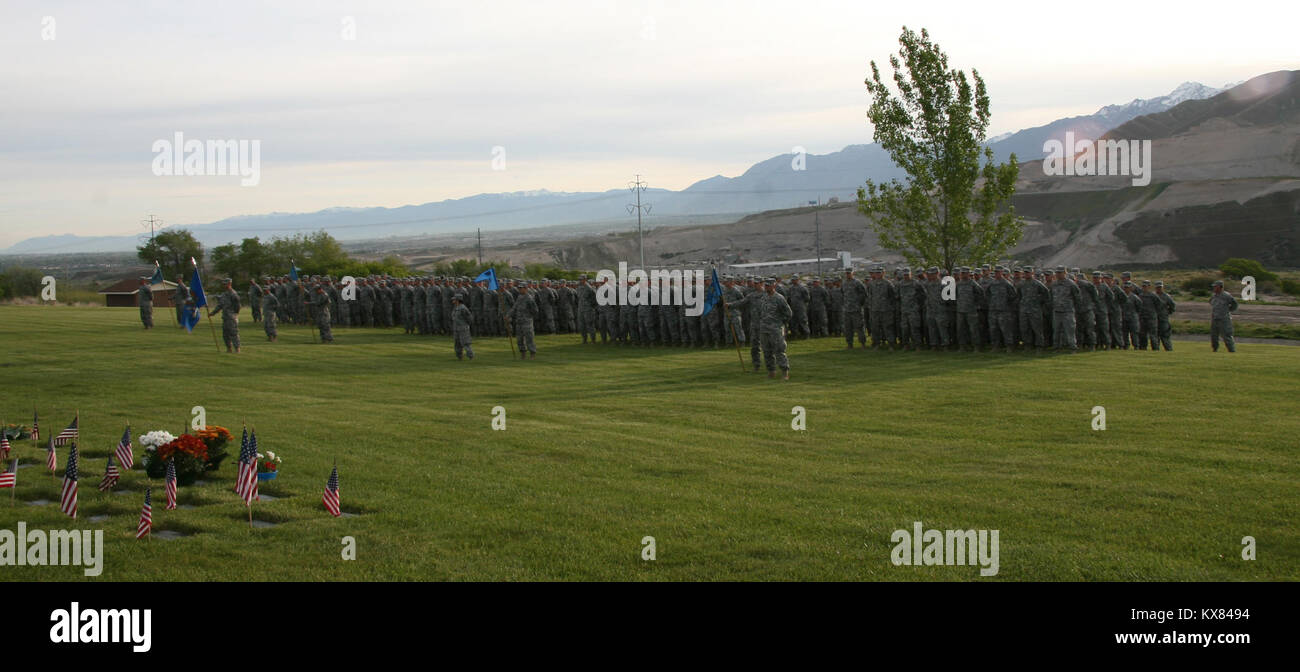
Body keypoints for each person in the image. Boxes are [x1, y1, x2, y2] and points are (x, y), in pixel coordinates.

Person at [729, 277, 792, 379]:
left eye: (768, 285)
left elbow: (788, 313)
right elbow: (758, 311)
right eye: (766, 285)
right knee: (767, 351)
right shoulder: (763, 298)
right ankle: (771, 371)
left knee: (779, 350)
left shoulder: (779, 298)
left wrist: (780, 323)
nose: (767, 287)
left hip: (775, 329)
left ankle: (785, 372)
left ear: (774, 285)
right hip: (764, 328)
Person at [208, 278, 242, 353]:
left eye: (225, 284)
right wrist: (212, 313)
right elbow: (220, 305)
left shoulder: (233, 294)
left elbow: (238, 306)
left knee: (234, 333)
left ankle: (237, 348)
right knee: (225, 335)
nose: (224, 285)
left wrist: (234, 314)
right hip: (225, 317)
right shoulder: (224, 294)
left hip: (232, 317)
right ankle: (229, 348)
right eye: (223, 284)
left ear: (230, 284)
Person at [1208, 280, 1239, 352]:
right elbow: (1211, 302)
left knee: (1227, 335)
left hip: (1224, 319)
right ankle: (1215, 349)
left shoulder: (1226, 295)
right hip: (1215, 318)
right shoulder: (1214, 296)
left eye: (1215, 287)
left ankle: (1231, 350)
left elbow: (1234, 304)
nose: (1214, 288)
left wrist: (1228, 310)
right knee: (1214, 336)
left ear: (1220, 287)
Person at [511, 284, 538, 359]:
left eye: (521, 288)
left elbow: (535, 310)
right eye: (519, 288)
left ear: (526, 289)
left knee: (529, 338)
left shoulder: (529, 298)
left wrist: (528, 316)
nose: (519, 290)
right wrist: (508, 315)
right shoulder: (519, 297)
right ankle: (523, 353)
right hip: (519, 321)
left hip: (527, 322)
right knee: (519, 339)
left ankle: (532, 353)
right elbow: (514, 307)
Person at [451, 293, 475, 360]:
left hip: (463, 329)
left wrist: (466, 325)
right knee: (457, 344)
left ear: (458, 300)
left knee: (465, 343)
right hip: (456, 328)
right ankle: (459, 356)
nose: (453, 300)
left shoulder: (463, 308)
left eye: (454, 299)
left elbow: (469, 318)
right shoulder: (456, 307)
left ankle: (471, 356)